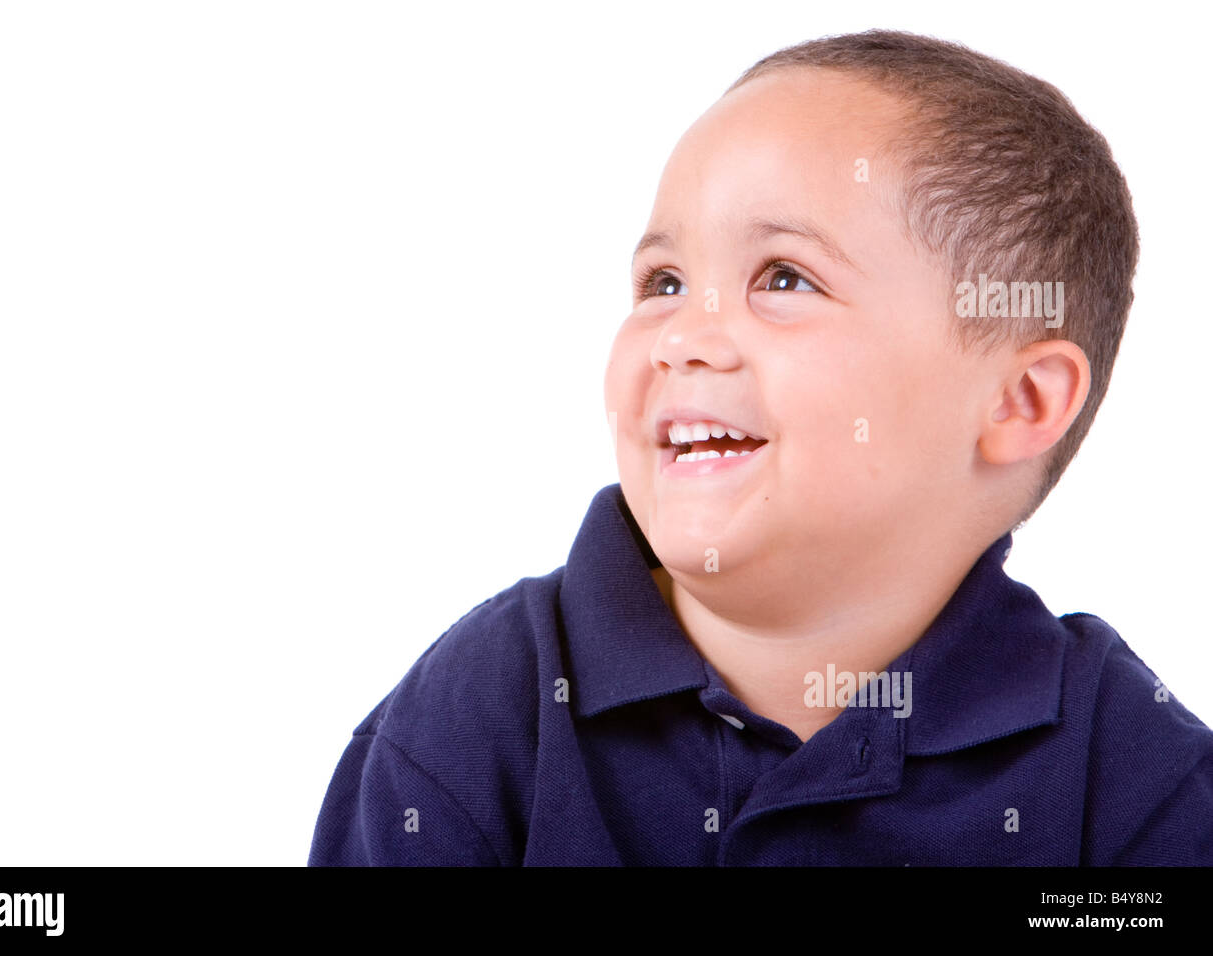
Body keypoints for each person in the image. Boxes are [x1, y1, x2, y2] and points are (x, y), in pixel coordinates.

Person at [308, 30, 1213, 865]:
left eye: (782, 278)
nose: (683, 337)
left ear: (1018, 400)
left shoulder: (1131, 777)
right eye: (663, 282)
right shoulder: (481, 718)